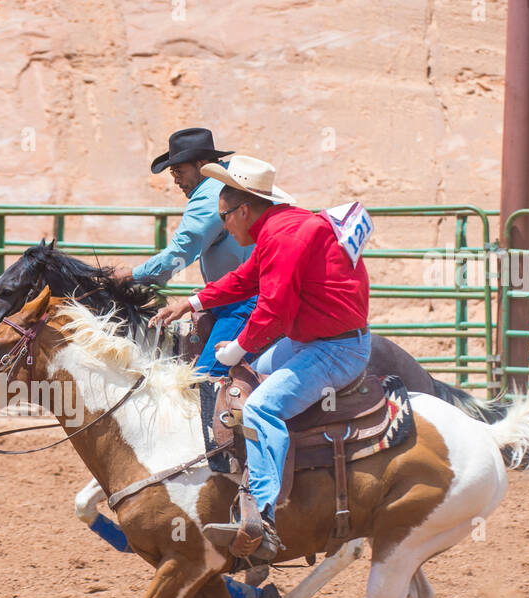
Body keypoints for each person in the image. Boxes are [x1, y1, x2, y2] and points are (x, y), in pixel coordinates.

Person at [151, 155, 372, 562]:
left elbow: (274, 311)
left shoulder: (286, 237)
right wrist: (193, 301)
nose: (224, 225)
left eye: (225, 216)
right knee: (242, 382)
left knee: (261, 410)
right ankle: (254, 473)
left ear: (244, 210)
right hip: (320, 340)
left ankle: (264, 518)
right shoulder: (281, 229)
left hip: (333, 349)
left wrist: (235, 348)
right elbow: (245, 279)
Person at [114, 127, 256, 376]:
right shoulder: (231, 181)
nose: (176, 180)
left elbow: (180, 253)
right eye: (173, 173)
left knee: (207, 377)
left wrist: (131, 275)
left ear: (202, 165)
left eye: (179, 172)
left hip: (242, 301)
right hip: (236, 294)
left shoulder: (210, 196)